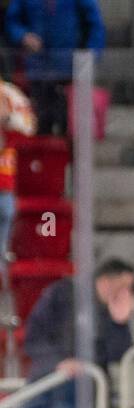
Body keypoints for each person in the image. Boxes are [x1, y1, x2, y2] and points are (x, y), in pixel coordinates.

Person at [17, 259, 134, 408]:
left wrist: (120, 323)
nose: (127, 294)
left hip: (90, 394)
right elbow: (34, 338)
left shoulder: (112, 314)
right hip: (52, 386)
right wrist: (58, 362)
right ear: (106, 281)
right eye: (124, 287)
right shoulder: (62, 294)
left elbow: (118, 355)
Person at [4, 0, 105, 135]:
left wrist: (90, 56)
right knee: (39, 122)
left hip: (69, 68)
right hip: (37, 68)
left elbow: (95, 25)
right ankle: (40, 154)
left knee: (68, 123)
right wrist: (23, 36)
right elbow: (12, 21)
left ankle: (68, 152)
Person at [0, 78, 36, 271]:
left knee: (7, 215)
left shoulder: (11, 135)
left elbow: (28, 129)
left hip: (5, 187)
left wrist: (9, 119)